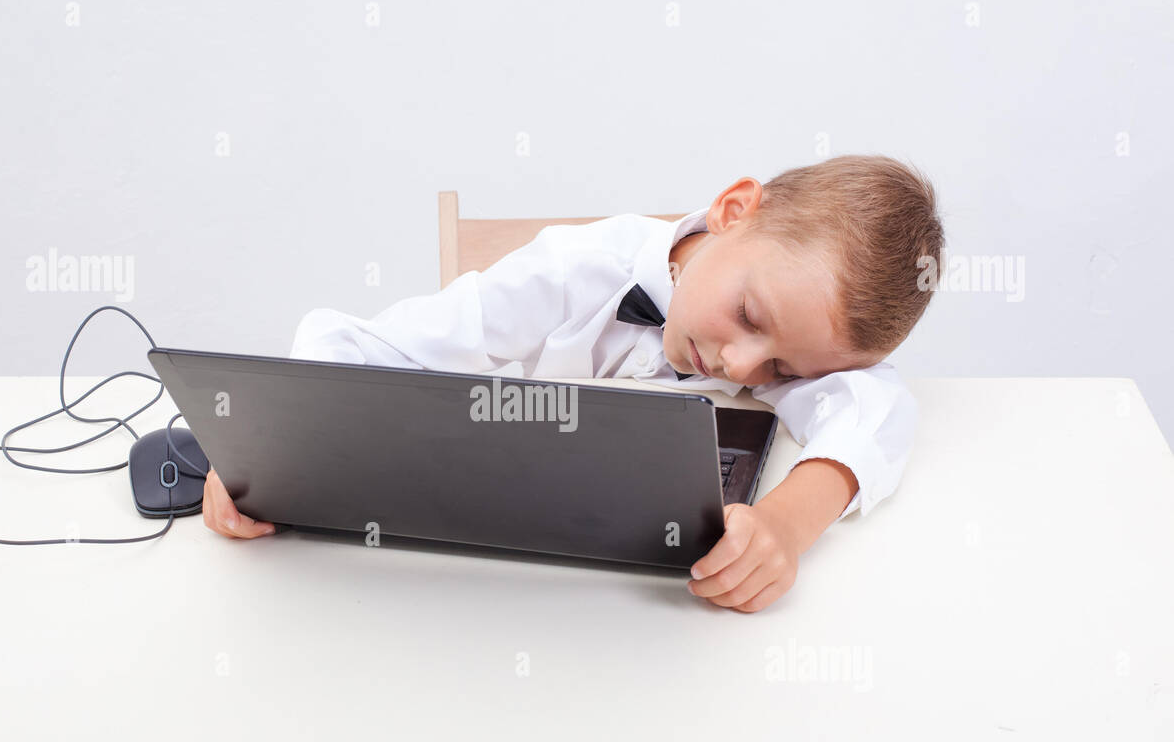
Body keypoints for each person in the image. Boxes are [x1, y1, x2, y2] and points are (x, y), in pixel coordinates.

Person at [203, 154, 945, 613]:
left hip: (643, 614)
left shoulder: (780, 336)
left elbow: (874, 409)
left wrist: (785, 525)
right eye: (748, 315)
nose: (744, 368)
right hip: (473, 593)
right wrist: (264, 454)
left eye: (782, 370)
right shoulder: (572, 268)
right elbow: (374, 345)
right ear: (733, 210)